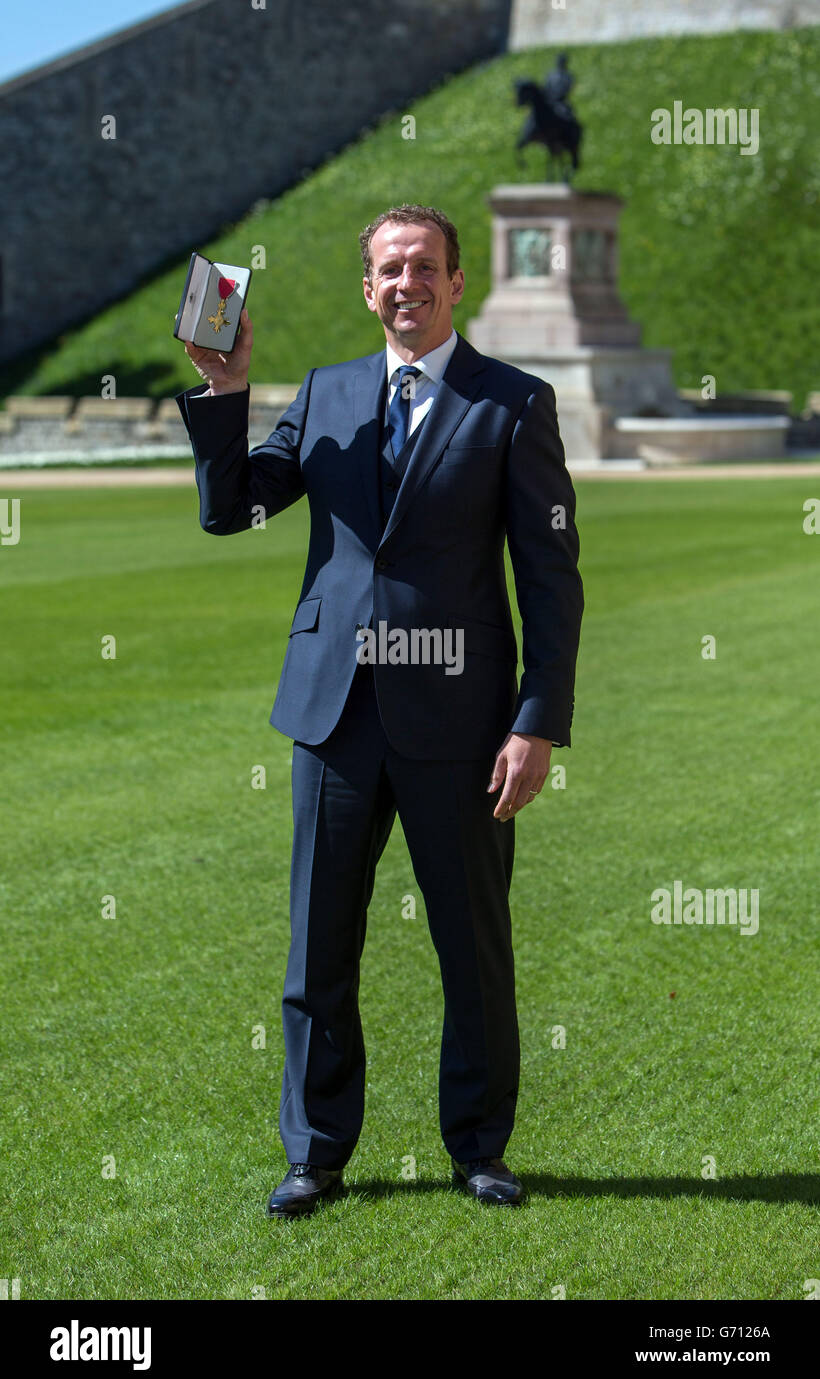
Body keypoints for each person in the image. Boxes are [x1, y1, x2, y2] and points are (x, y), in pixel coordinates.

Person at [176, 203, 584, 1218]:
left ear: (457, 285)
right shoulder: (325, 395)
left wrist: (536, 719)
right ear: (368, 289)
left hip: (464, 719)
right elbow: (236, 507)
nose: (406, 284)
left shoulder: (514, 403)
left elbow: (550, 577)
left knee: (474, 949)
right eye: (388, 270)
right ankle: (314, 1153)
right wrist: (224, 390)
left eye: (424, 269)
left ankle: (480, 1148)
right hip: (335, 716)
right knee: (317, 948)